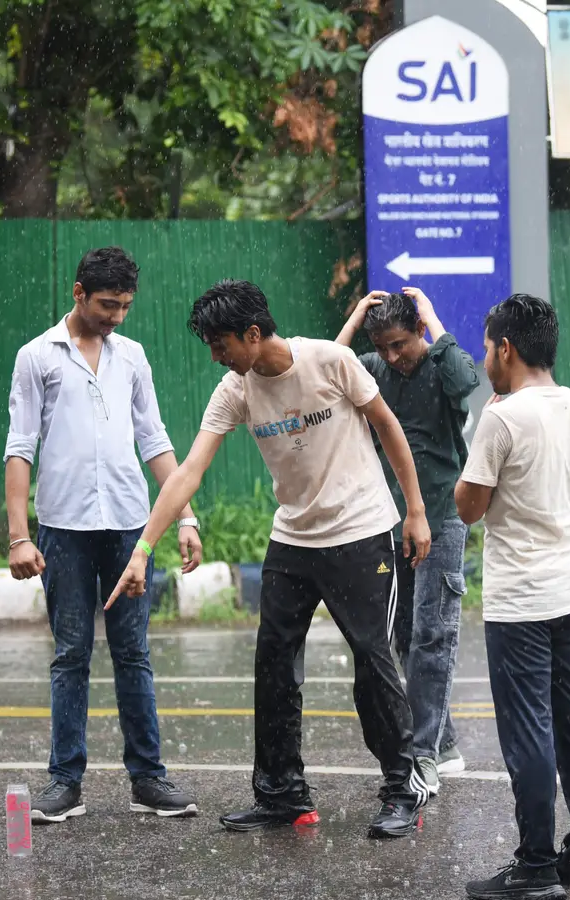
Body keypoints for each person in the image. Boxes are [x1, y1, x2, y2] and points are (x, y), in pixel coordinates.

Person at [107, 279, 435, 839]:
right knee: (274, 664)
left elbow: (388, 426)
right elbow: (189, 471)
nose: (215, 355)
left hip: (361, 531)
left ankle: (403, 788)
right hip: (294, 538)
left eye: (220, 343)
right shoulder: (235, 390)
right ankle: (283, 795)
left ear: (253, 334)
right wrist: (143, 547)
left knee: (373, 662)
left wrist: (416, 511)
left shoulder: (331, 361)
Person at [4, 246, 201, 824]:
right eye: (107, 304)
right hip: (62, 530)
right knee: (70, 656)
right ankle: (65, 782)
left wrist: (185, 517)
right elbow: (20, 448)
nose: (116, 316)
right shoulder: (36, 357)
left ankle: (148, 779)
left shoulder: (133, 357)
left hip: (129, 531)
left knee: (133, 653)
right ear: (78, 293)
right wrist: (20, 535)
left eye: (125, 306)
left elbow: (155, 441)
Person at [453, 295, 570, 899]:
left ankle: (534, 867)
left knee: (529, 733)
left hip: (521, 601)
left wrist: (483, 426)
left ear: (507, 349)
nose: (484, 357)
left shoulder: (502, 419)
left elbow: (468, 508)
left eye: (487, 346)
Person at [335, 286, 478, 795]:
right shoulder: (373, 367)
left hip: (440, 516)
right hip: (387, 520)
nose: (393, 357)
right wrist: (355, 321)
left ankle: (423, 755)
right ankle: (443, 743)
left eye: (400, 344)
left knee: (433, 636)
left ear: (418, 331)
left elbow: (467, 380)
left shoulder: (440, 364)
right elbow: (329, 373)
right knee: (401, 634)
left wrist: (434, 318)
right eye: (383, 346)